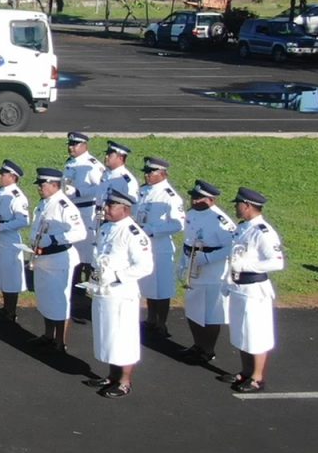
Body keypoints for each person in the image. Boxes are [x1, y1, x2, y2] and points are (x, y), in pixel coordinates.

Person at [86, 187, 153, 398]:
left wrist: (116, 276)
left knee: (123, 337)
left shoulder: (133, 233)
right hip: (104, 292)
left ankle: (124, 381)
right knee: (107, 335)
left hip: (121, 293)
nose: (106, 208)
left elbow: (145, 266)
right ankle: (112, 375)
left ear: (125, 209)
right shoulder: (107, 228)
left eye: (111, 205)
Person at [222, 187, 285, 393]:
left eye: (238, 204)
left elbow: (276, 262)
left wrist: (247, 266)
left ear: (247, 206)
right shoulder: (243, 228)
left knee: (256, 335)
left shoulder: (263, 232)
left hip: (255, 291)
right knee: (242, 333)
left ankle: (257, 378)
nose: (235, 207)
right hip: (239, 287)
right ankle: (246, 371)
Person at [29, 168, 87, 352]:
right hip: (42, 258)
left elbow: (80, 232)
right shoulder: (44, 203)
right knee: (46, 299)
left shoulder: (64, 205)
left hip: (59, 259)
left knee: (60, 301)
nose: (39, 188)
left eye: (42, 185)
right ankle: (48, 335)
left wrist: (55, 239)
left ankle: (60, 341)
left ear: (54, 185)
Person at [178, 180, 236, 364]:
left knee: (211, 314)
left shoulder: (220, 221)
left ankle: (208, 349)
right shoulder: (191, 214)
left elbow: (232, 247)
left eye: (199, 198)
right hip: (193, 267)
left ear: (211, 200)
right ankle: (198, 345)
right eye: (193, 197)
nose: (194, 201)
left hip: (212, 272)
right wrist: (182, 264)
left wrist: (208, 258)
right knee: (193, 309)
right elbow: (188, 241)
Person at [134, 156, 184, 339]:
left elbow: (178, 225)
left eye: (151, 172)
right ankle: (151, 319)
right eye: (146, 172)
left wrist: (153, 230)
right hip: (144, 246)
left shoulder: (169, 196)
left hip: (160, 247)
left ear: (163, 174)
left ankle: (161, 323)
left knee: (161, 288)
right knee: (149, 285)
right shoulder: (144, 191)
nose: (147, 175)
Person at [0, 160, 31, 322]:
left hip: (10, 240)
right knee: (2, 274)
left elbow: (23, 221)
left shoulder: (17, 197)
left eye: (3, 174)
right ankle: (5, 308)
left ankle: (11, 312)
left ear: (13, 177)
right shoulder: (1, 192)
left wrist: (0, 227)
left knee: (11, 276)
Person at [63, 132, 106, 295]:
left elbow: (100, 187)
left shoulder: (92, 165)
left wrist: (80, 192)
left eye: (75, 144)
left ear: (84, 146)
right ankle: (74, 282)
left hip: (87, 210)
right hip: (72, 209)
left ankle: (89, 284)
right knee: (73, 246)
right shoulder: (71, 162)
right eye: (70, 144)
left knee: (87, 249)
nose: (71, 147)